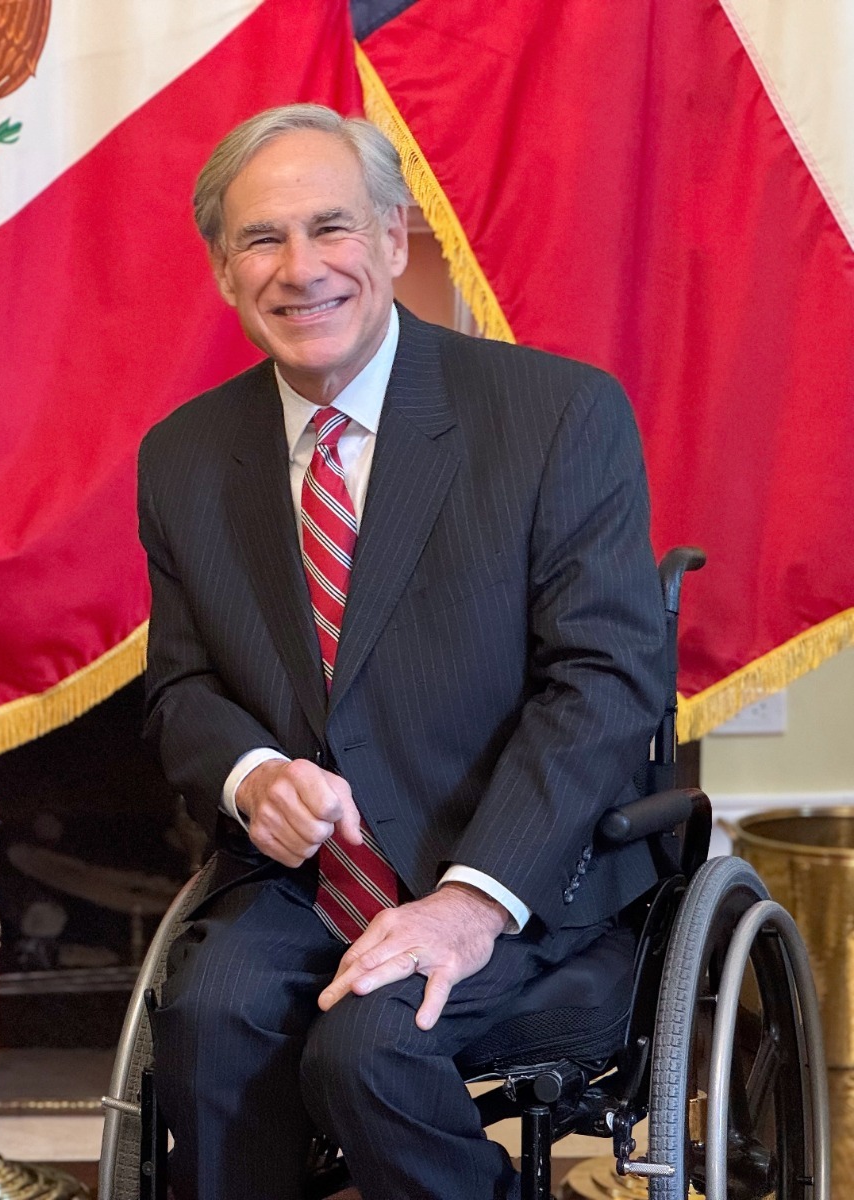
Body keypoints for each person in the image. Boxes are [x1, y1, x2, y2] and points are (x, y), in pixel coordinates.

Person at [136, 105, 667, 1200]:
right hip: (303, 882)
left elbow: (605, 683)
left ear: (389, 241)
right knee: (206, 1017)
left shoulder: (555, 414)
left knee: (370, 1051)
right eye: (260, 240)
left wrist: (472, 899)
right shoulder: (183, 456)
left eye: (330, 229)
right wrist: (249, 776)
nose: (300, 270)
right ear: (222, 273)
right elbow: (181, 687)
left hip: (518, 873)